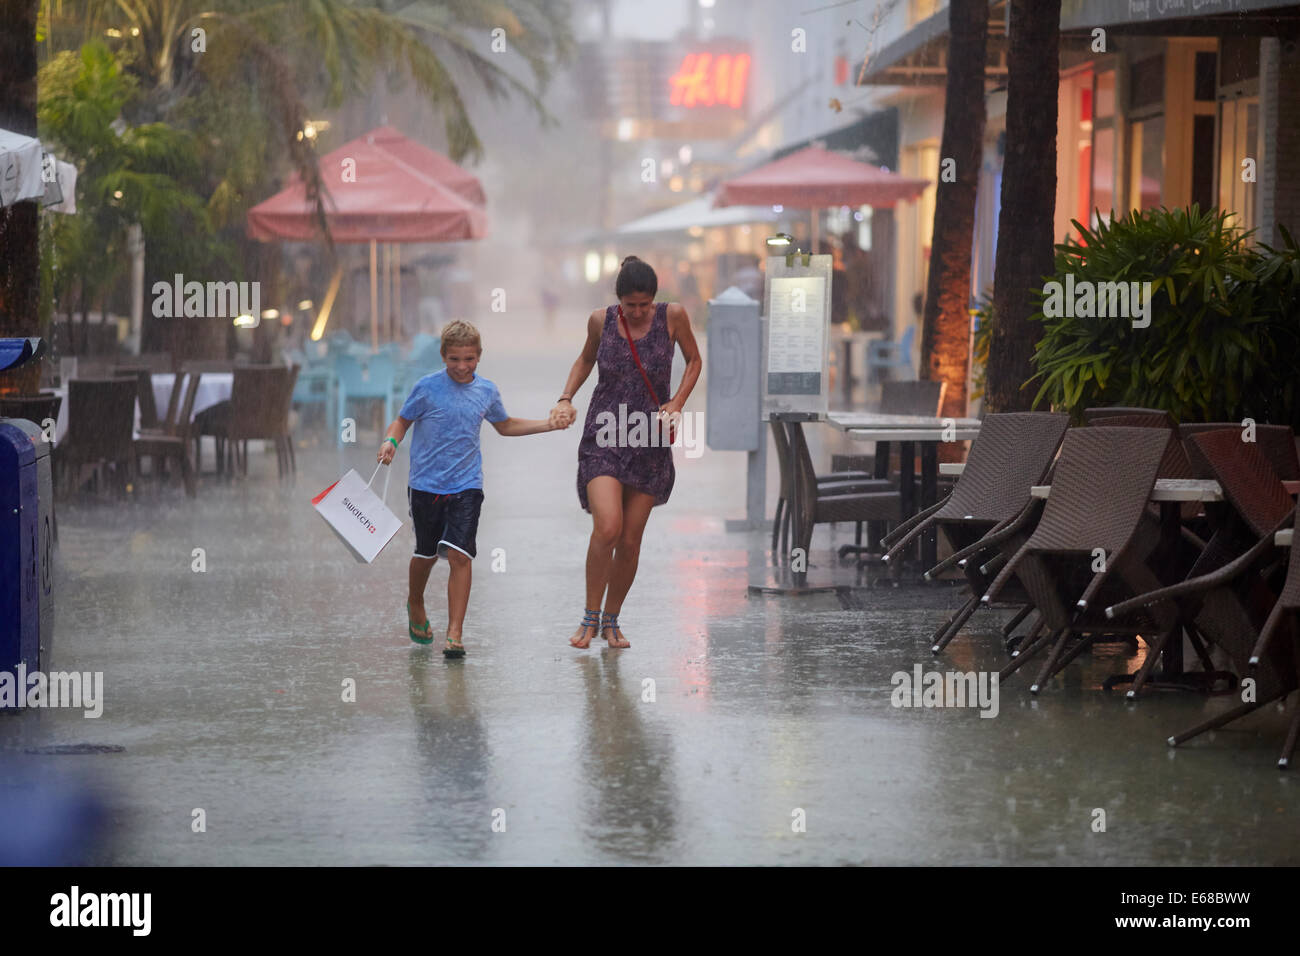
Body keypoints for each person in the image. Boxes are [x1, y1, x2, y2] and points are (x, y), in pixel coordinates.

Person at [379, 320, 568, 657]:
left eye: (469, 359)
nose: (462, 367)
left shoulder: (486, 391)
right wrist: (391, 441)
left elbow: (505, 426)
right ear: (443, 356)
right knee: (424, 556)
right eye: (454, 359)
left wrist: (547, 424)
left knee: (460, 555)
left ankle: (455, 634)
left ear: (479, 356)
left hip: (467, 486)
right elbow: (403, 419)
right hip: (425, 485)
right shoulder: (426, 388)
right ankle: (416, 600)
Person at [550, 256, 702, 649]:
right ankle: (588, 616)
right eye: (630, 305)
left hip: (649, 440)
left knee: (631, 540)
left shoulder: (674, 317)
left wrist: (678, 401)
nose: (637, 312)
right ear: (618, 299)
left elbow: (694, 360)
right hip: (604, 434)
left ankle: (612, 619)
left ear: (655, 298)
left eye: (644, 305)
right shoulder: (601, 321)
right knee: (608, 527)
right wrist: (566, 397)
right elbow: (586, 358)